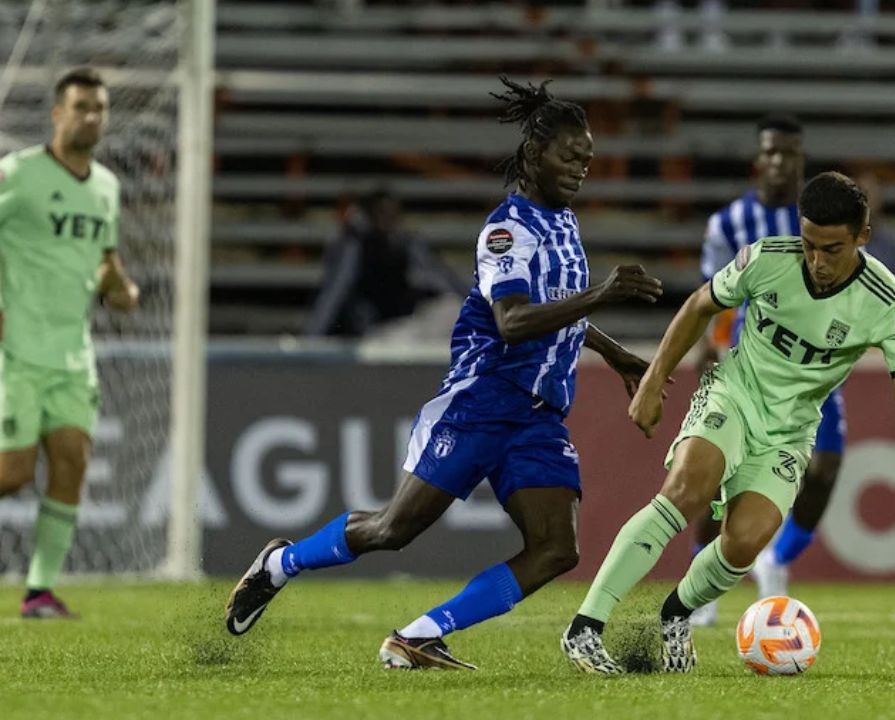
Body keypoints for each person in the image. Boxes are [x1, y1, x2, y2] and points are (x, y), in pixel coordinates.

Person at [224, 76, 663, 670]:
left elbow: (555, 309)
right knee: (391, 530)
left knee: (557, 549)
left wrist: (611, 352)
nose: (581, 169)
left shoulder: (564, 224)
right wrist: (604, 293)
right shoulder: (506, 230)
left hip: (537, 418)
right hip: (481, 402)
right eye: (570, 156)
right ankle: (280, 564)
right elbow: (512, 322)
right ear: (535, 153)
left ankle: (419, 635)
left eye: (587, 159)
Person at [562, 172, 895, 674]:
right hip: (734, 394)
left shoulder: (888, 302)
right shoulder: (768, 259)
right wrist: (654, 379)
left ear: (863, 237)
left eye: (833, 249)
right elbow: (699, 305)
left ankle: (676, 614)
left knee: (745, 540)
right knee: (686, 491)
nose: (818, 262)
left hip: (791, 431)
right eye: (810, 245)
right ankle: (586, 626)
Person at [689, 114, 848, 625]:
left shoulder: (821, 219)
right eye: (771, 152)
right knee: (719, 479)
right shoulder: (729, 224)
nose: (779, 161)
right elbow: (708, 298)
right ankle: (702, 588)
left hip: (814, 370)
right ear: (760, 160)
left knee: (824, 469)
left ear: (801, 159)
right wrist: (707, 350)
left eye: (789, 152)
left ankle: (775, 561)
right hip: (750, 370)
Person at [0, 67, 141, 618]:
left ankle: (38, 590)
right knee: (12, 474)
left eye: (99, 107)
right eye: (81, 106)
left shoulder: (106, 187)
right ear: (57, 113)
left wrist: (121, 287)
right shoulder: (19, 173)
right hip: (17, 351)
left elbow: (106, 259)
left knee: (72, 461)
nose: (91, 116)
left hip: (73, 354)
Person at [305, 189, 464, 337]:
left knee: (452, 308)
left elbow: (441, 278)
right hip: (371, 333)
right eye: (383, 213)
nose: (389, 218)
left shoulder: (406, 243)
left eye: (393, 213)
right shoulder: (355, 246)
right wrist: (312, 337)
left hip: (399, 327)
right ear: (371, 216)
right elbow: (335, 291)